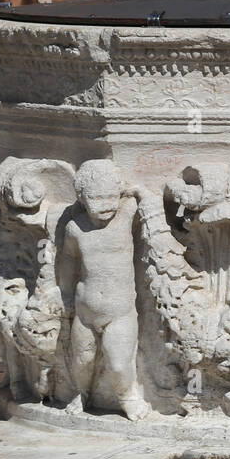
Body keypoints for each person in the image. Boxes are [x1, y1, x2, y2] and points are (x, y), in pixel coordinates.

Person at [58, 160, 149, 420]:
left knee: (118, 363)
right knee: (82, 360)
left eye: (111, 197)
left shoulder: (125, 216)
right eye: (96, 198)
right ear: (82, 198)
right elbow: (68, 261)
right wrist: (64, 293)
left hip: (119, 311)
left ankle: (127, 396)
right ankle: (81, 393)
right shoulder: (76, 228)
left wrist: (139, 191)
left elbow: (153, 207)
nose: (105, 205)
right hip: (86, 310)